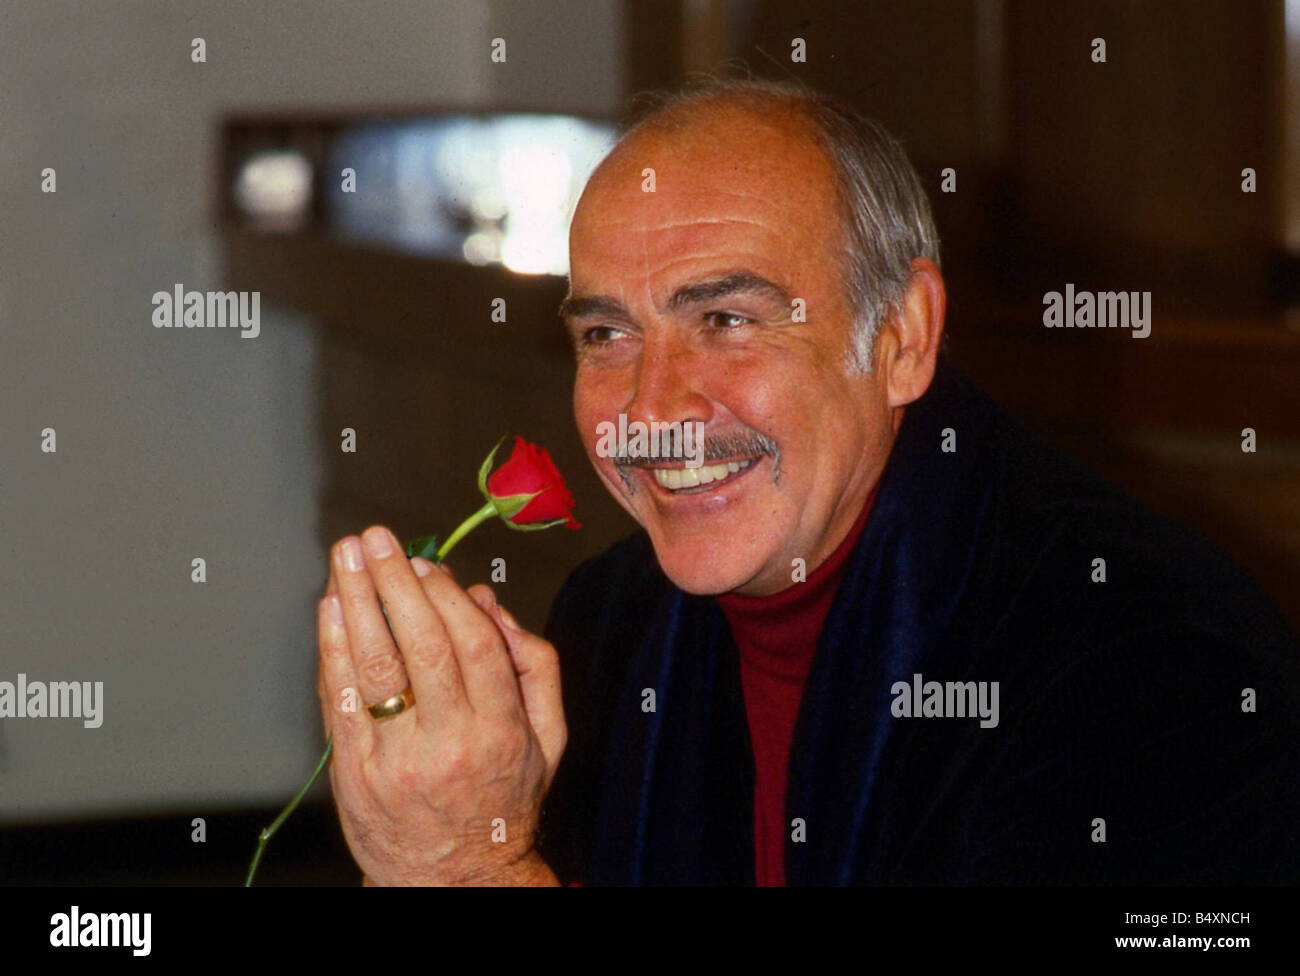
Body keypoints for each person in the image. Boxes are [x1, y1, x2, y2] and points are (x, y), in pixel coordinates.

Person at [315, 78, 1300, 886]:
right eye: (607, 335)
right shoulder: (611, 623)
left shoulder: (1146, 657)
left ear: (903, 336)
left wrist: (463, 869)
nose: (650, 408)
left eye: (729, 319)